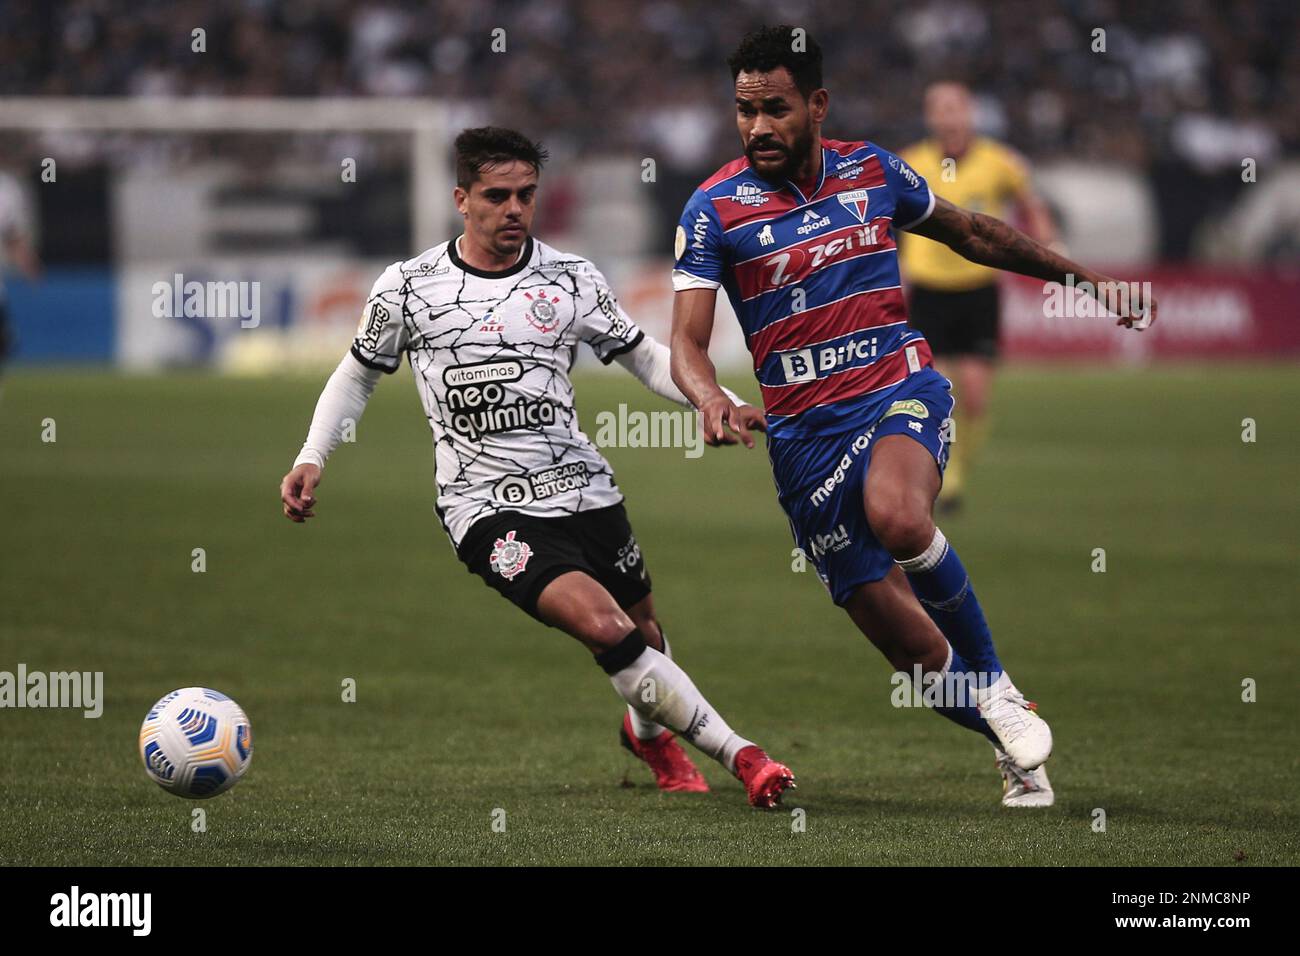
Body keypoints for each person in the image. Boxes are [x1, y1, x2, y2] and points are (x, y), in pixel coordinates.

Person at [669, 27, 1154, 807]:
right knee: (917, 658)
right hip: (802, 443)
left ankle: (995, 685)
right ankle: (1010, 741)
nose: (758, 126)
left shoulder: (872, 170)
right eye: (744, 110)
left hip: (898, 388)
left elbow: (974, 233)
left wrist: (1088, 281)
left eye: (776, 109)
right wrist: (709, 397)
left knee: (898, 516)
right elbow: (687, 342)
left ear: (817, 104)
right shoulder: (713, 209)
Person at [280, 127, 795, 808]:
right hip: (486, 507)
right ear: (462, 199)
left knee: (641, 631)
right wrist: (313, 454)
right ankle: (746, 757)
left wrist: (717, 400)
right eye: (498, 196)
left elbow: (642, 353)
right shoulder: (409, 289)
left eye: (526, 193)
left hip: (583, 486)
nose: (515, 208)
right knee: (604, 629)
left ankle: (646, 734)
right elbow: (356, 375)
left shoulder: (571, 277)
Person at [899, 82, 1060, 511]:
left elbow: (1032, 202)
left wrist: (1044, 238)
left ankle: (958, 470)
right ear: (929, 116)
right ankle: (944, 479)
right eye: (938, 109)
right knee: (937, 390)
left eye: (954, 108)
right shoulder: (911, 162)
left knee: (974, 396)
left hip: (978, 290)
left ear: (970, 113)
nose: (947, 117)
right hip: (929, 289)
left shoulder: (999, 161)